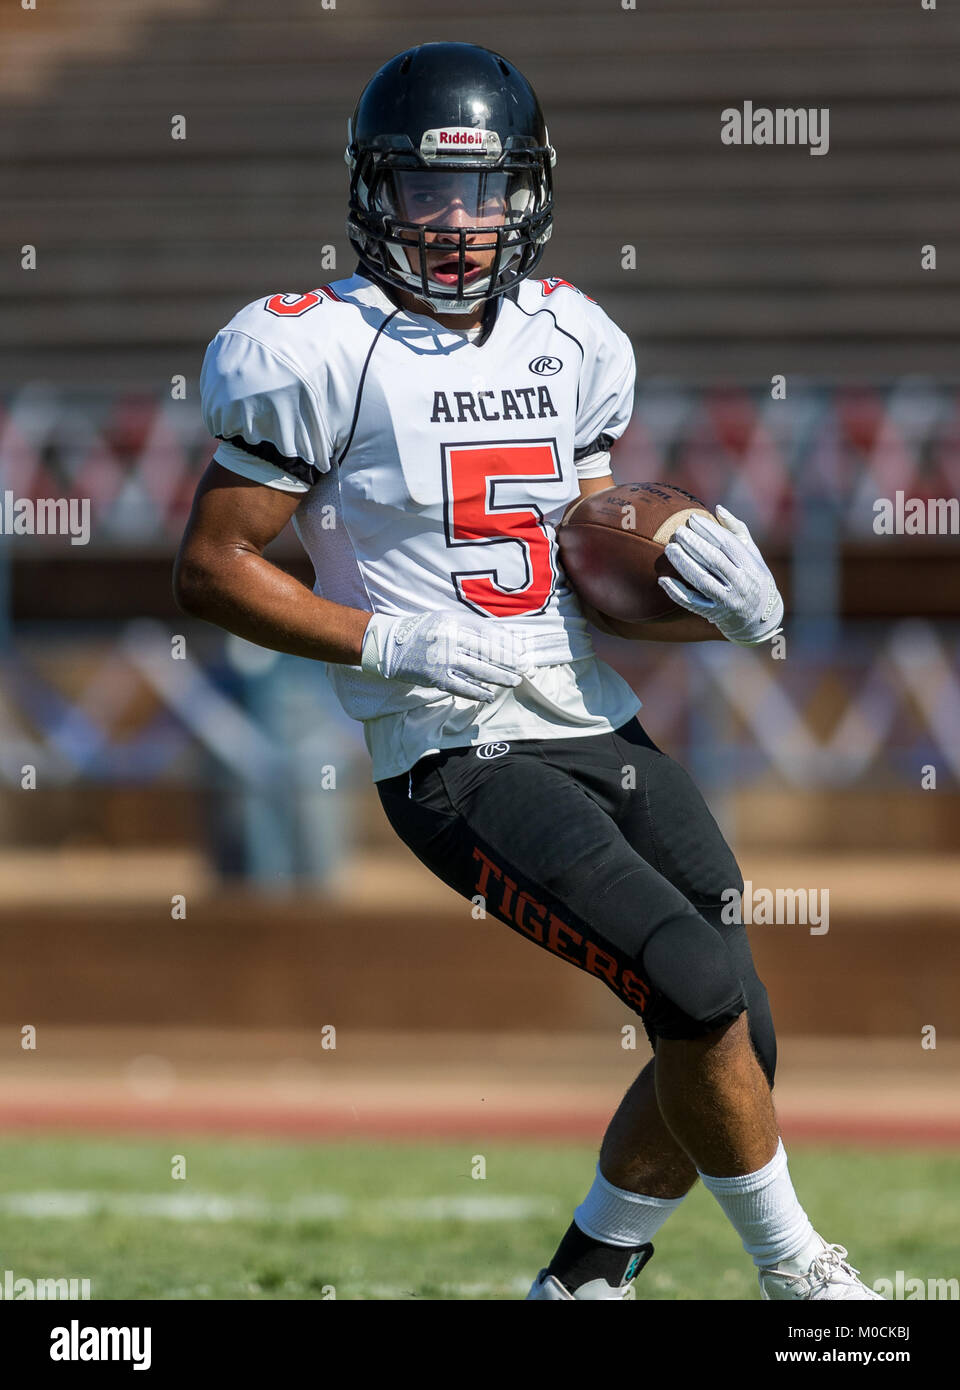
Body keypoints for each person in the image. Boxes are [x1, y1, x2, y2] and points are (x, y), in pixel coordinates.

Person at [175, 41, 882, 1302]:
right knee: (698, 981)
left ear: (529, 194)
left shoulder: (572, 337)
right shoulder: (313, 349)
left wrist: (727, 608)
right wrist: (393, 639)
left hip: (588, 720)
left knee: (735, 1018)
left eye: (483, 190)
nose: (455, 221)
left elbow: (594, 580)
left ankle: (583, 1280)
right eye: (426, 192)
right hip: (451, 747)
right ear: (372, 194)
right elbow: (214, 569)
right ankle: (803, 1275)